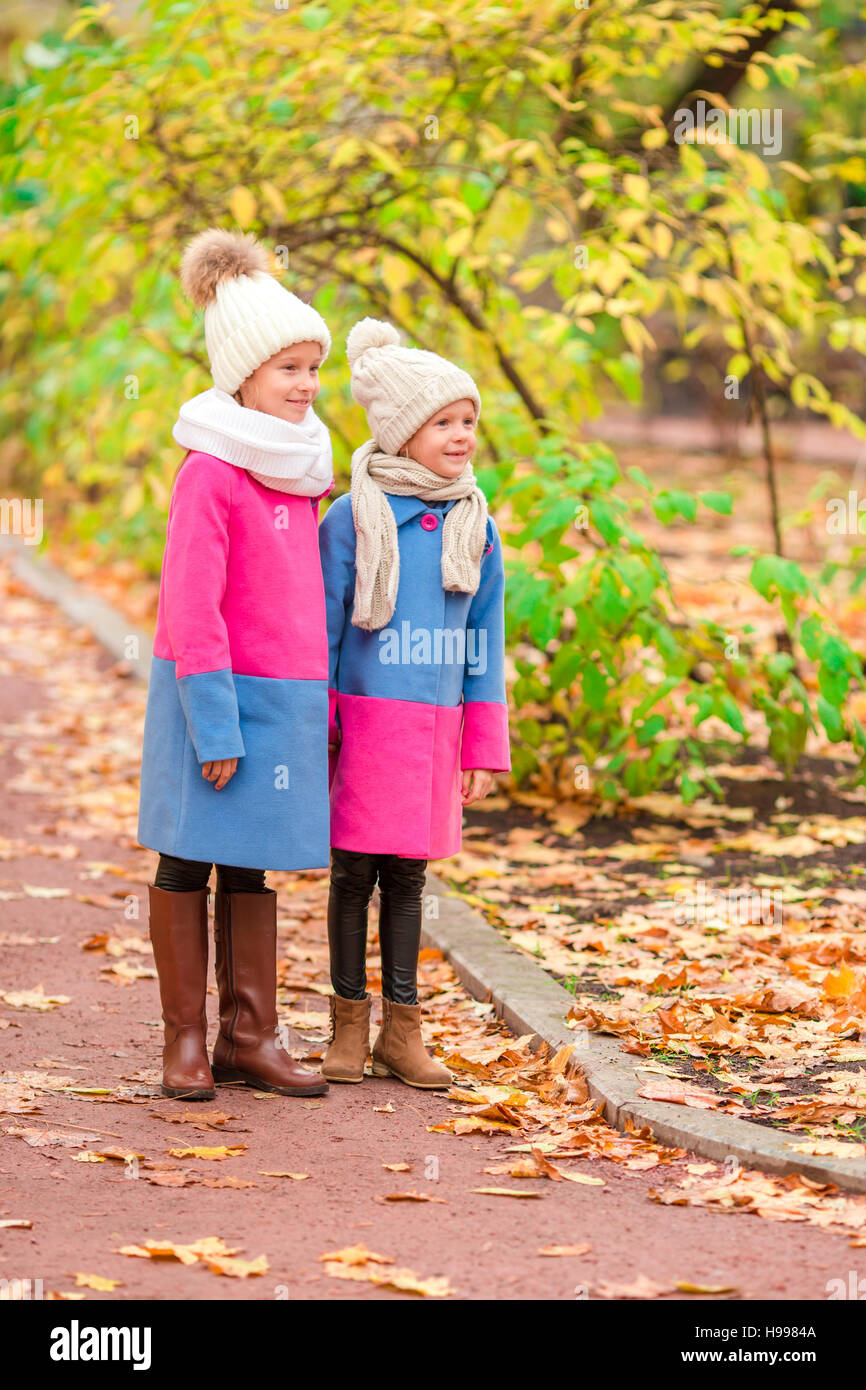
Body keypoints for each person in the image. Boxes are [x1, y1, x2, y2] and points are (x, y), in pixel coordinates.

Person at [137, 227, 334, 1101]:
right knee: (188, 858)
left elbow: (310, 601)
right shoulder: (211, 471)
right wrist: (213, 719)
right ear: (243, 375)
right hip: (207, 695)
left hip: (284, 698)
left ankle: (249, 1036)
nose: (306, 385)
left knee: (249, 864)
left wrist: (322, 707)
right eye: (288, 369)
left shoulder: (303, 468)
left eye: (313, 368)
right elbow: (191, 604)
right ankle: (184, 1042)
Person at [317, 319, 511, 1089]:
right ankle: (345, 1024)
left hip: (433, 732)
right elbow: (326, 629)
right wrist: (321, 727)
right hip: (362, 730)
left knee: (408, 882)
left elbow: (485, 643)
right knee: (350, 876)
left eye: (468, 421)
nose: (461, 435)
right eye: (443, 422)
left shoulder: (478, 526)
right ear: (402, 433)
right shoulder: (351, 521)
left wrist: (481, 747)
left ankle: (403, 1031)